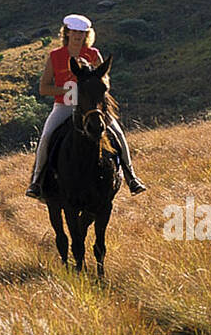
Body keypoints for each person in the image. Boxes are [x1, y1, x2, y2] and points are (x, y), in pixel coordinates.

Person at [26, 14, 145, 197]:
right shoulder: (55, 56)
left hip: (92, 108)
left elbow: (105, 81)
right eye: (74, 32)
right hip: (64, 106)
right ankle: (37, 181)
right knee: (47, 136)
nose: (78, 36)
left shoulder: (93, 54)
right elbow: (43, 88)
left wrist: (92, 90)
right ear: (67, 33)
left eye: (82, 33)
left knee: (118, 133)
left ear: (86, 34)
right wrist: (67, 91)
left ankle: (131, 176)